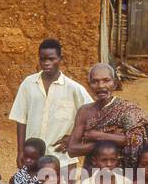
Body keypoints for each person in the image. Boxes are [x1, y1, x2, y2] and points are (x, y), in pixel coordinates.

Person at [9, 38, 92, 169]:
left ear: (60, 59)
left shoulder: (74, 89)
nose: (47, 63)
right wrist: (20, 151)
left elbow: (93, 116)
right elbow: (21, 119)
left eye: (52, 59)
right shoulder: (28, 84)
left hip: (62, 159)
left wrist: (74, 138)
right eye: (43, 59)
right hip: (33, 158)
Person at [67, 63, 148, 171]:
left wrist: (97, 136)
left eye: (106, 80)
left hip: (122, 175)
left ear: (115, 84)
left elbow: (135, 141)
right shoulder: (84, 111)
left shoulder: (128, 111)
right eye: (95, 81)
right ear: (89, 85)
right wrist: (111, 139)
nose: (101, 85)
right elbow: (72, 150)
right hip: (92, 173)